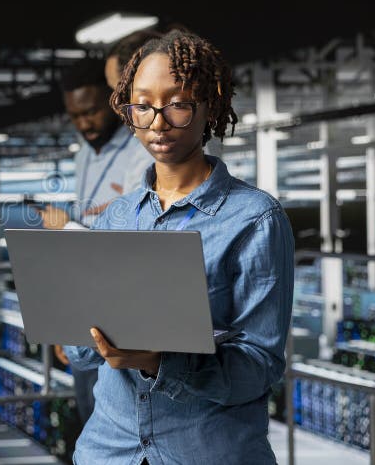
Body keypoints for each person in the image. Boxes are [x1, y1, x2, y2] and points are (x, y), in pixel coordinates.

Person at [64, 29, 294, 464]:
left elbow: (259, 366)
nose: (157, 122)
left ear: (211, 104)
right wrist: (65, 314)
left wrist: (159, 361)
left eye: (177, 104)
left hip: (206, 451)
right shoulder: (117, 217)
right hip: (110, 451)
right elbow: (81, 354)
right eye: (142, 106)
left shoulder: (255, 219)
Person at [39, 55, 154, 426]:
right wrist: (65, 322)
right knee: (89, 413)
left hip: (128, 301)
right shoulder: (84, 155)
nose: (84, 124)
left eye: (90, 112)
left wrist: (66, 228)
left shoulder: (142, 151)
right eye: (75, 116)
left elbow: (137, 240)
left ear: (112, 100)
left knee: (127, 417)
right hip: (87, 298)